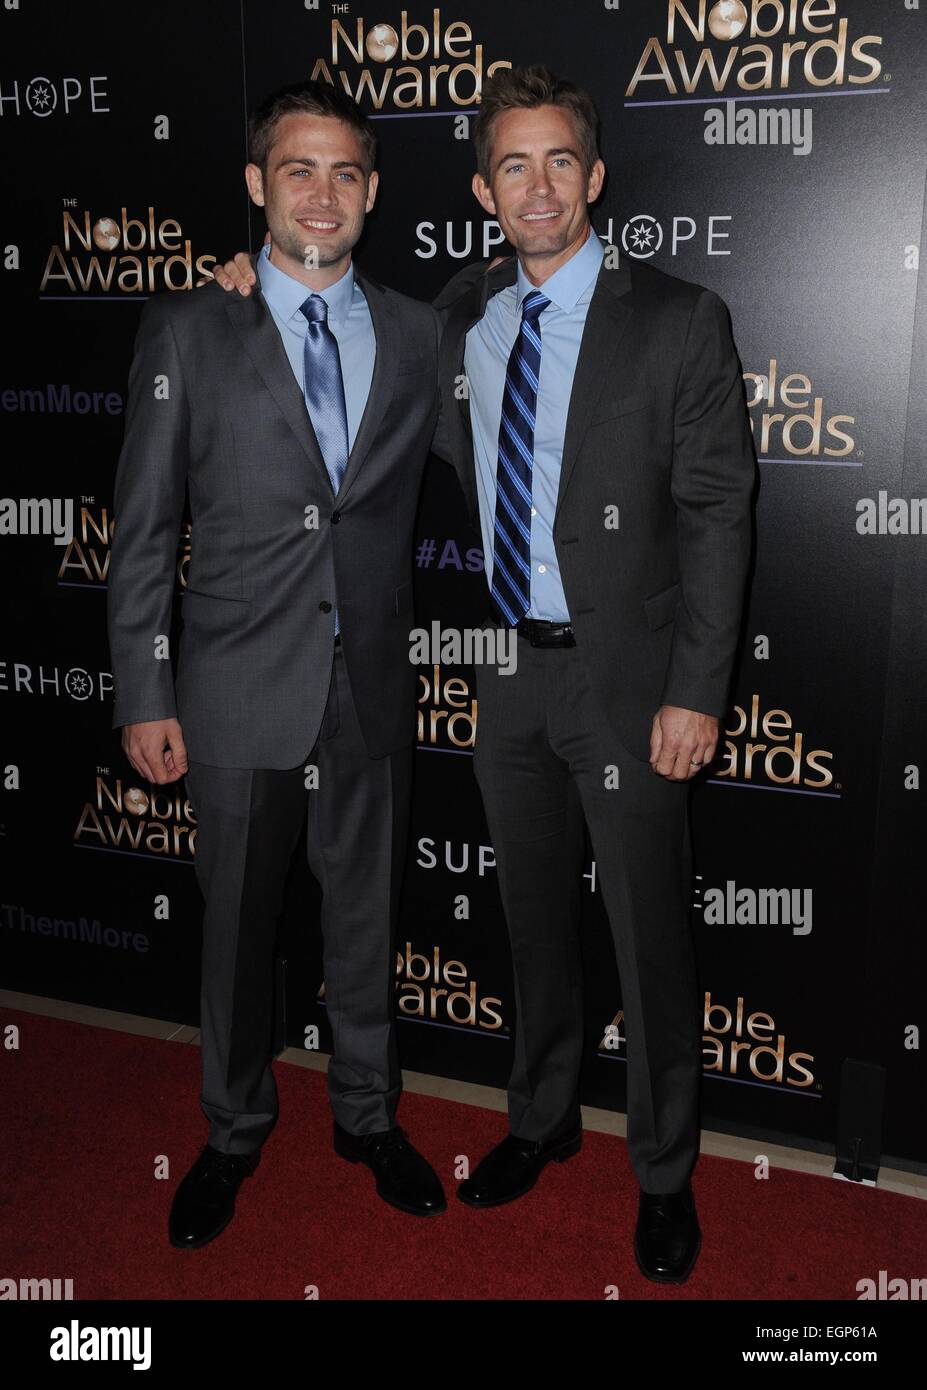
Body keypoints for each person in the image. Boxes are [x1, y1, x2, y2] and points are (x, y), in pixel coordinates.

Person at [213, 64, 757, 1285]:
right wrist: (238, 281)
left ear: (596, 175)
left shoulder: (678, 317)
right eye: (514, 164)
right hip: (507, 676)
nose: (540, 185)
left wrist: (697, 690)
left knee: (649, 939)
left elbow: (720, 513)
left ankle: (664, 1173)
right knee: (531, 926)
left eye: (560, 159)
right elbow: (328, 315)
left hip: (633, 687)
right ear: (482, 189)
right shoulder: (458, 314)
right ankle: (542, 1120)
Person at [107, 79, 447, 1251]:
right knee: (237, 932)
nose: (322, 193)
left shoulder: (418, 331)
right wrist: (144, 691)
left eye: (345, 173)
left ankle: (367, 1116)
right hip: (237, 689)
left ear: (371, 193)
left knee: (365, 922)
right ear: (257, 185)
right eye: (297, 169)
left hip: (370, 692)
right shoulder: (190, 326)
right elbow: (145, 530)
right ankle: (233, 1129)